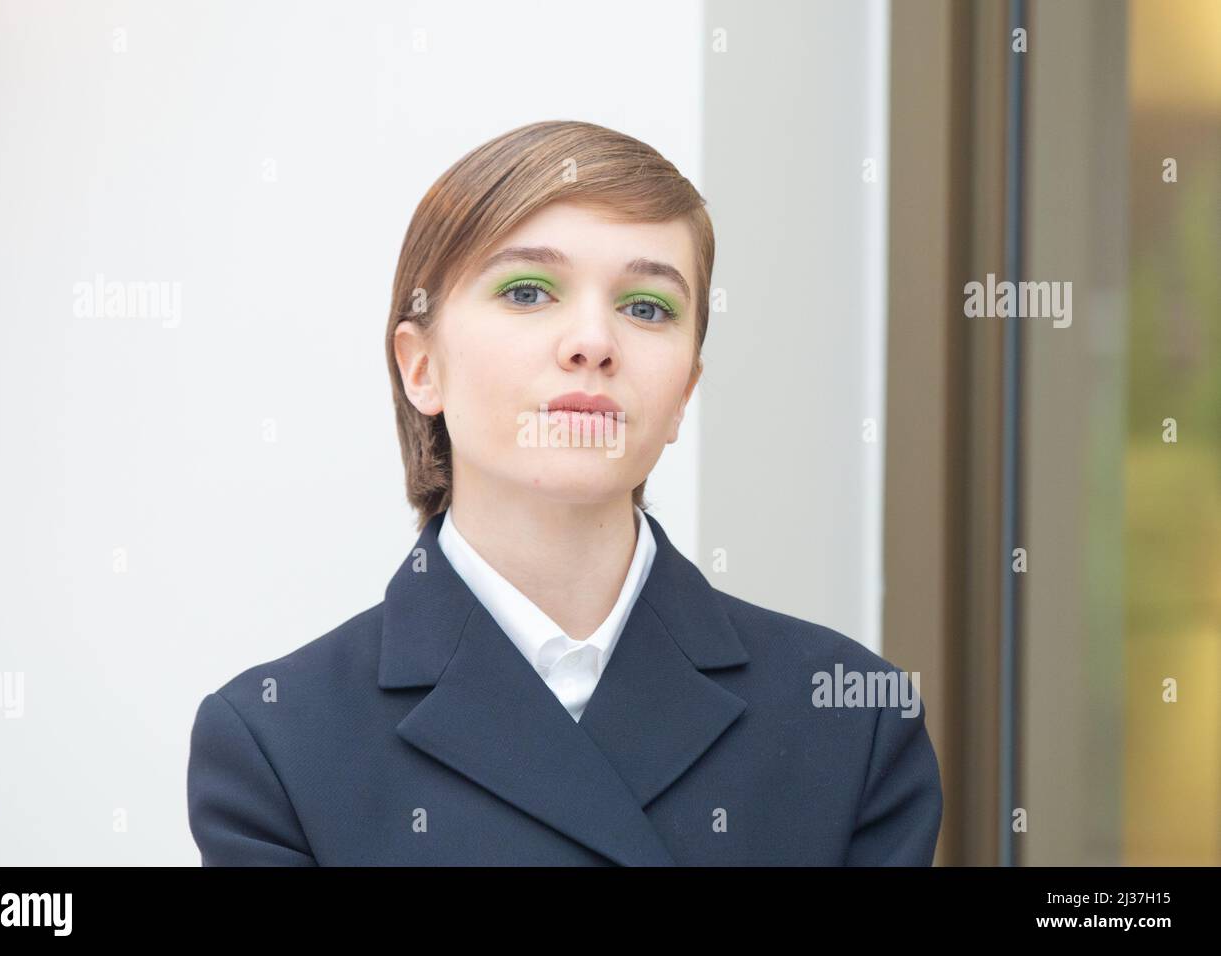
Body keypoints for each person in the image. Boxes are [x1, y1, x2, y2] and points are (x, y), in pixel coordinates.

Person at [186, 120, 943, 866]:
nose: (594, 341)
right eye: (527, 291)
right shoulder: (276, 743)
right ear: (422, 368)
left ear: (684, 392)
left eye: (647, 307)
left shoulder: (852, 721)